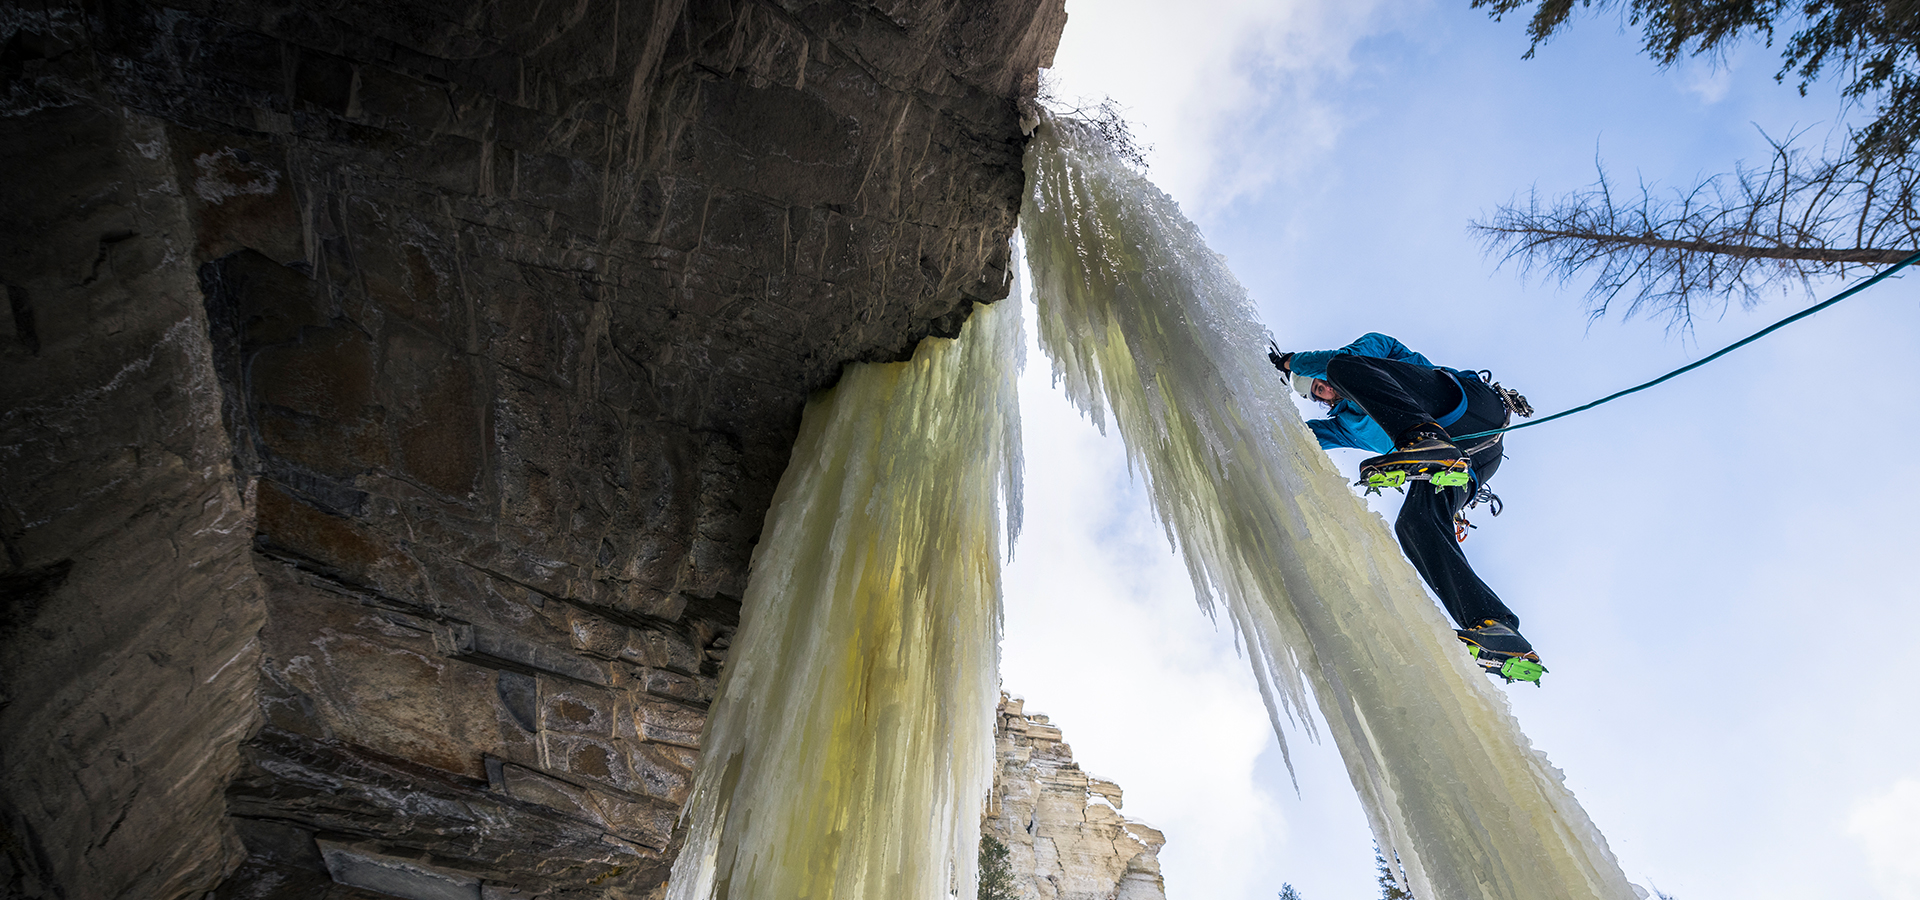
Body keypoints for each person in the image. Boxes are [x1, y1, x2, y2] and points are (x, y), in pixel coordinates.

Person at [1269, 333, 1543, 676]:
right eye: (1317, 391)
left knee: (1343, 366)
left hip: (1467, 408)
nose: (1324, 386)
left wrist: (1288, 362)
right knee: (1415, 522)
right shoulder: (1345, 426)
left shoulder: (1368, 356)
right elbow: (1296, 434)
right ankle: (1496, 629)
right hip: (1468, 459)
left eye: (1321, 382)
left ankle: (1422, 438)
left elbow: (1338, 361)